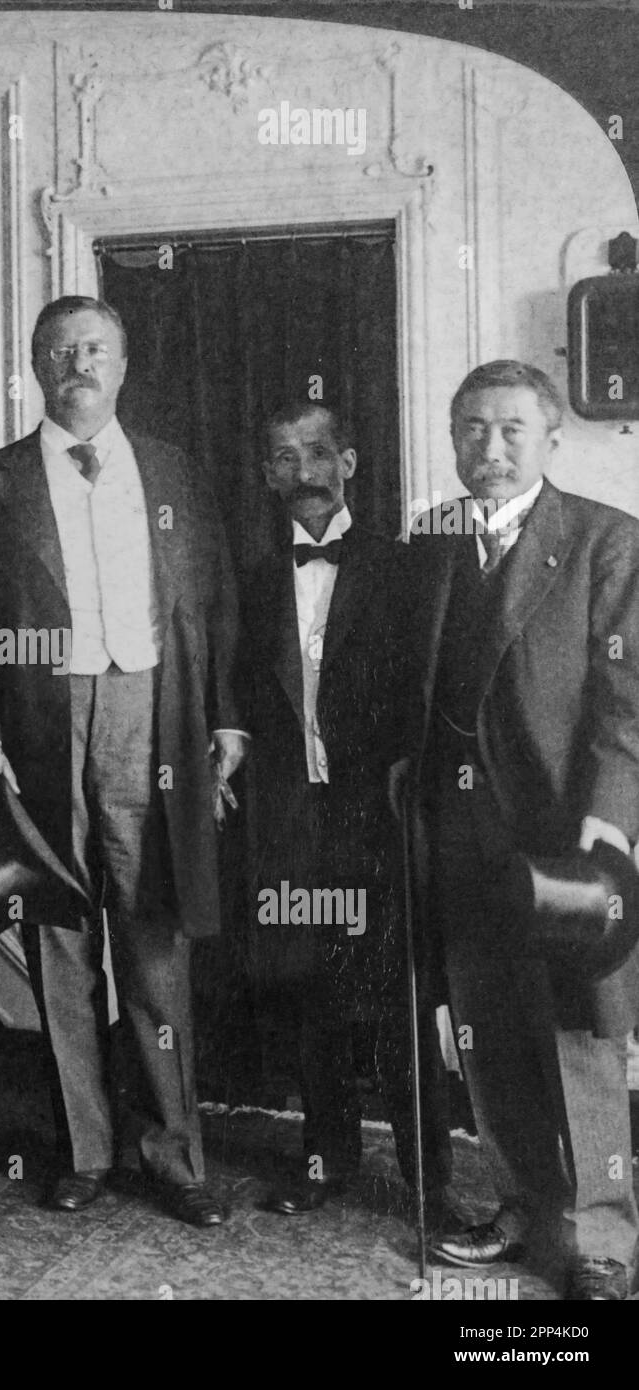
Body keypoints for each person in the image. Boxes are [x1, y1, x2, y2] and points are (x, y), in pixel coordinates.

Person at [0, 294, 245, 1227]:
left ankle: (174, 1153)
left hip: (150, 715)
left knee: (154, 931)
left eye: (97, 349)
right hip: (37, 723)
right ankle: (86, 1149)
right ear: (37, 366)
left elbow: (217, 599)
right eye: (63, 349)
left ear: (123, 367)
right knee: (58, 933)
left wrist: (226, 719)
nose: (81, 363)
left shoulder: (175, 473)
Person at [403, 360, 639, 1300]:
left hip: (567, 834)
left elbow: (628, 707)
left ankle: (603, 1240)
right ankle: (521, 1204)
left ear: (550, 438)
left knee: (581, 1033)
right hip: (464, 831)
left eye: (508, 430)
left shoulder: (605, 542)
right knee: (489, 1028)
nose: (487, 450)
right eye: (470, 429)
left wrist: (607, 828)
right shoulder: (431, 547)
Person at [240, 402, 457, 1230]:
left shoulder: (405, 569)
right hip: (292, 819)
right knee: (309, 990)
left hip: (381, 817)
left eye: (319, 453)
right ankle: (325, 1161)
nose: (304, 472)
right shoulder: (256, 577)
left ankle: (430, 1180)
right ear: (267, 475)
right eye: (284, 457)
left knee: (400, 995)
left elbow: (428, 696)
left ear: (351, 462)